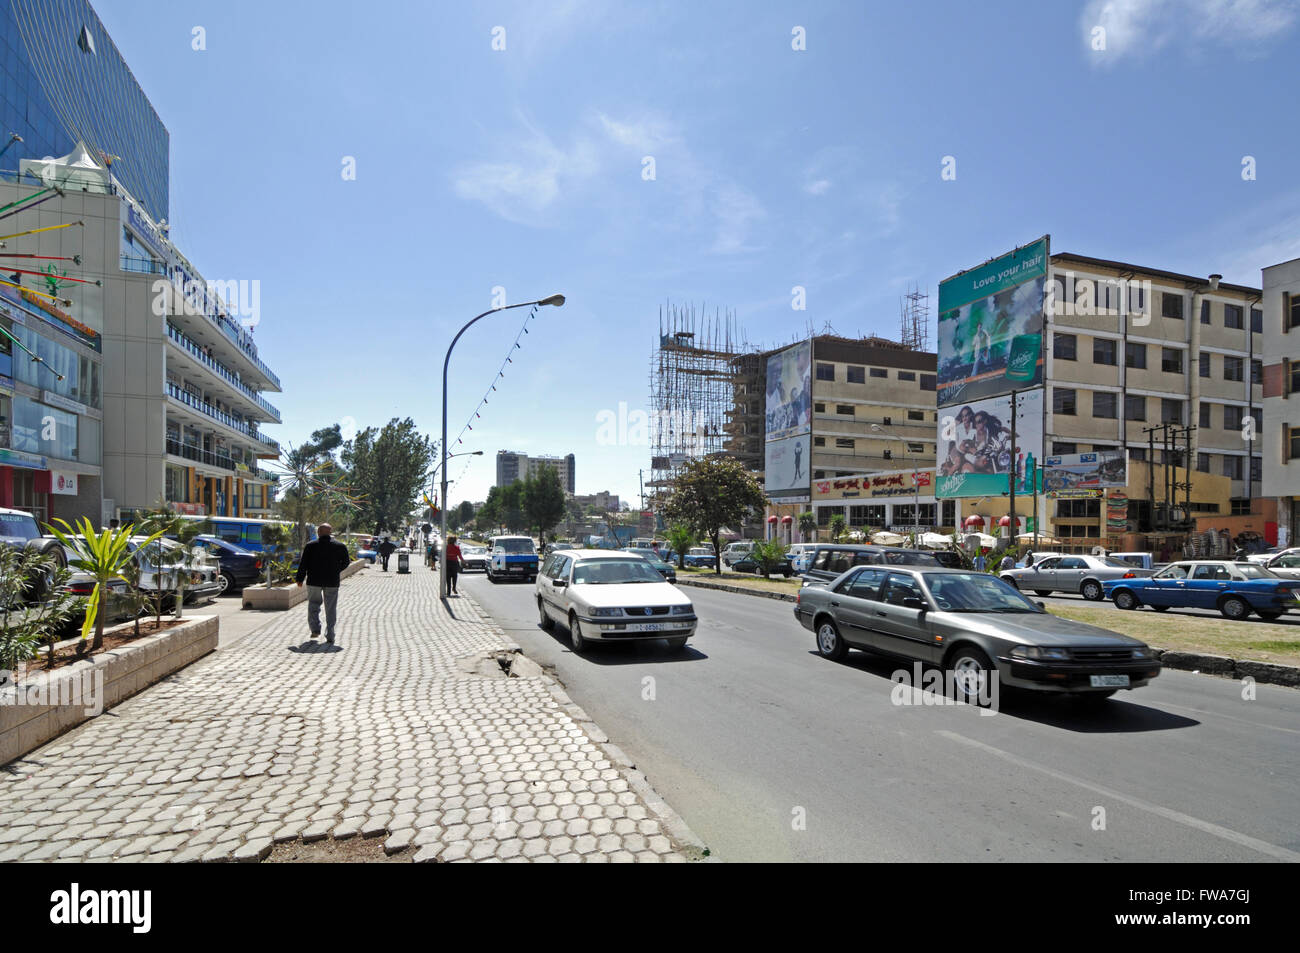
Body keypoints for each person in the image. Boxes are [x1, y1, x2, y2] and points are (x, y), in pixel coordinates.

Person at [295, 523, 351, 644]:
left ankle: (315, 629)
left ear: (319, 532)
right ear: (330, 532)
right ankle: (330, 634)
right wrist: (336, 570)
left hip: (313, 581)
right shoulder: (340, 546)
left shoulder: (310, 546)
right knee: (331, 608)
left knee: (313, 605)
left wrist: (299, 579)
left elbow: (303, 563)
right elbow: (346, 562)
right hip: (332, 582)